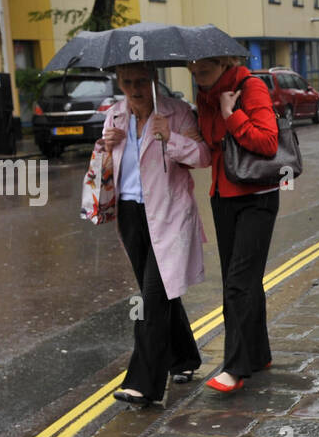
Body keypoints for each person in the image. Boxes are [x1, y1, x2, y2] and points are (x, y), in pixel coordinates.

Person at [96, 63, 211, 405]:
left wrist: (170, 138)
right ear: (119, 82)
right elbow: (104, 167)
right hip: (131, 215)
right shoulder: (115, 116)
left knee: (150, 298)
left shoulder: (176, 113)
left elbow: (203, 156)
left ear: (154, 80)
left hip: (170, 215)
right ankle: (185, 358)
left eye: (142, 81)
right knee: (160, 294)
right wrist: (106, 146)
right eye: (127, 82)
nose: (135, 89)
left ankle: (144, 384)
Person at [188, 55, 280, 395]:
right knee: (240, 280)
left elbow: (267, 142)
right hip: (223, 195)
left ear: (225, 64)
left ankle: (236, 367)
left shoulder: (250, 88)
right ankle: (258, 354)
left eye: (206, 71)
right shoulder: (204, 96)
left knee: (239, 283)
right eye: (194, 73)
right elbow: (210, 145)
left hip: (257, 195)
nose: (200, 78)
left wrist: (231, 114)